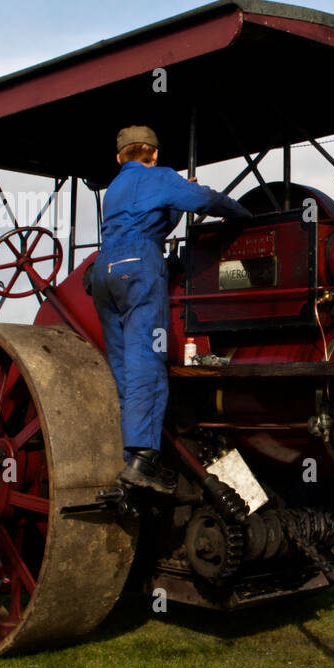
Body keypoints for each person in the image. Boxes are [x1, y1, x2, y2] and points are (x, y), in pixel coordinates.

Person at [92, 125, 250, 493]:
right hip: (138, 265)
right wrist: (242, 215)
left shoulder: (114, 189)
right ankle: (145, 458)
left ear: (119, 157)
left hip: (104, 272)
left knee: (123, 366)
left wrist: (176, 200)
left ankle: (130, 458)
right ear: (155, 154)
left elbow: (151, 219)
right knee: (147, 359)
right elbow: (206, 200)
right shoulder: (160, 177)